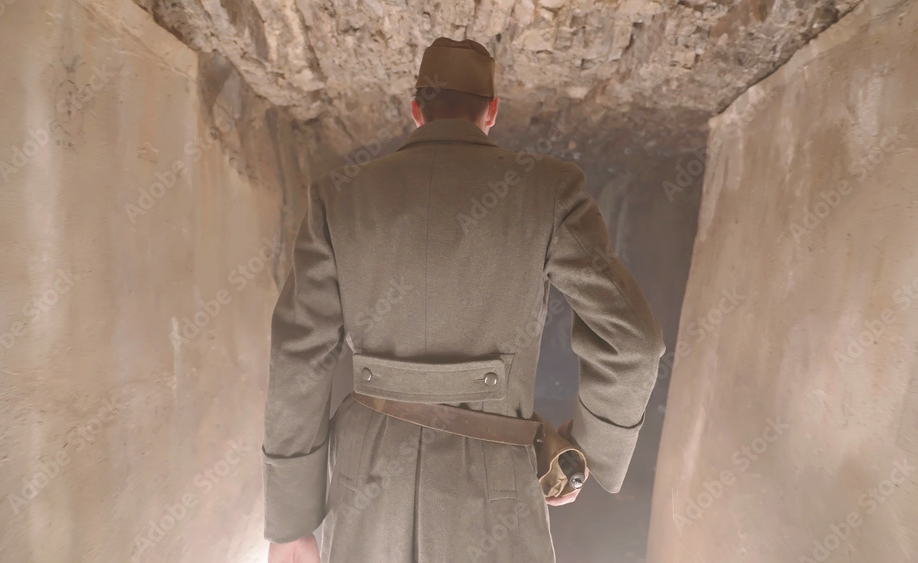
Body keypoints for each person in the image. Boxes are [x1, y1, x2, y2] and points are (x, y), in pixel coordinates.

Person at [263, 37, 665, 563]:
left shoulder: (336, 196)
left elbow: (298, 357)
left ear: (416, 110)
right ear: (492, 111)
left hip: (366, 475)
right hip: (496, 474)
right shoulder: (549, 189)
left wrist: (291, 523)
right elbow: (634, 342)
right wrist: (592, 450)